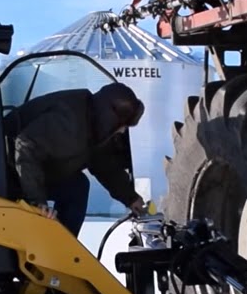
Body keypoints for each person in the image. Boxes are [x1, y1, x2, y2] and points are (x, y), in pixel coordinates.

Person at [8, 82, 148, 235]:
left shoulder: (93, 123)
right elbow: (26, 146)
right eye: (121, 125)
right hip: (7, 172)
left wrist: (130, 198)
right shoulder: (70, 120)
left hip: (34, 171)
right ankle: (54, 247)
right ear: (109, 117)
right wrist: (37, 201)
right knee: (75, 188)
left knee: (78, 186)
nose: (122, 131)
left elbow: (104, 164)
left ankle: (61, 246)